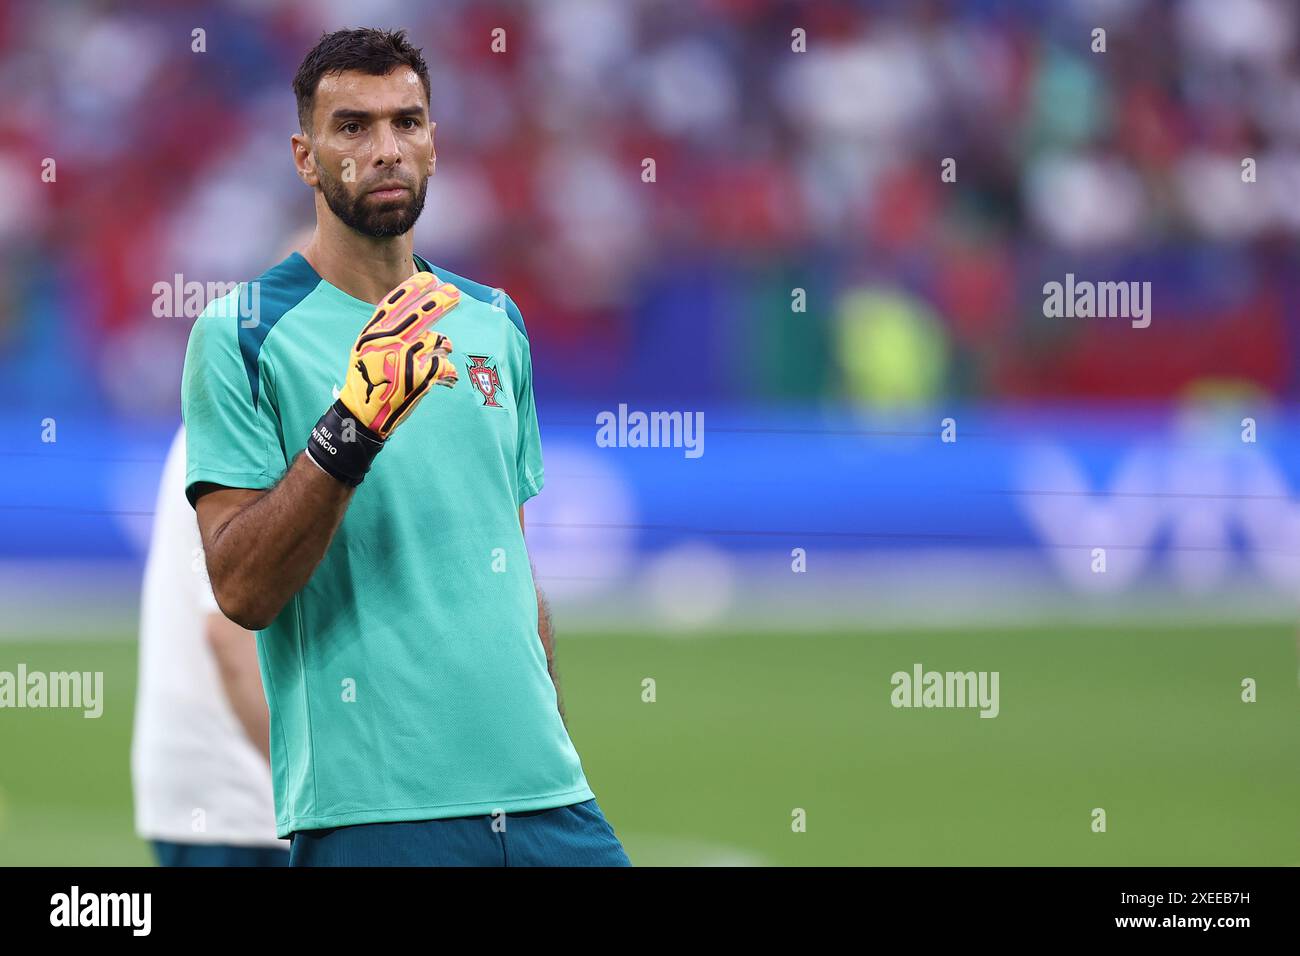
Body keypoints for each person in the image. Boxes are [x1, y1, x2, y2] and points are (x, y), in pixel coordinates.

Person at [179, 27, 628, 866]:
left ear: (434, 142)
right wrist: (352, 428)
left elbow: (513, 569)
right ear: (305, 157)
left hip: (549, 803)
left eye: (406, 122)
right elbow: (242, 588)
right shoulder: (241, 333)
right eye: (352, 127)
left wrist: (556, 751)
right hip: (379, 815)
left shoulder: (493, 319)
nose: (385, 149)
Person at [131, 426, 288, 866]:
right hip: (242, 805)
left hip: (220, 799)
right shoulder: (244, 415)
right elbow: (229, 638)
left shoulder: (222, 412)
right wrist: (312, 789)